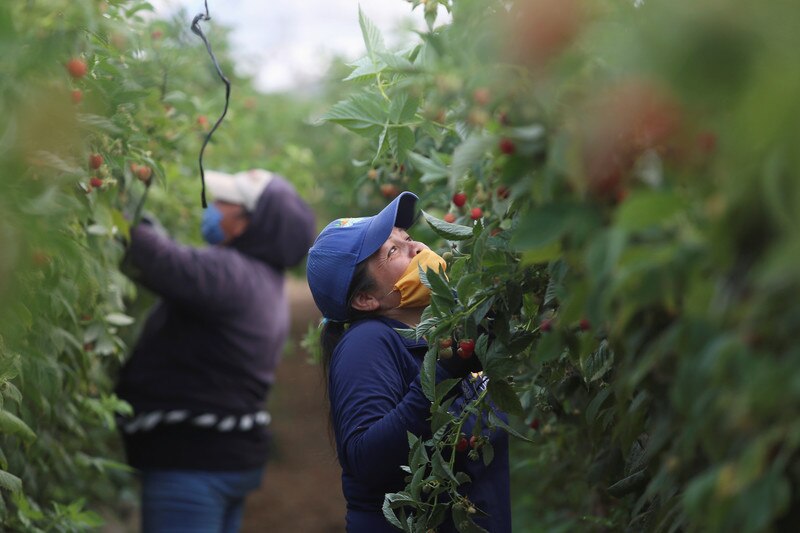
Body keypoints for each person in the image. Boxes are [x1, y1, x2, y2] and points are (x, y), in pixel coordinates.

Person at [115, 169, 316, 532]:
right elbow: (182, 264)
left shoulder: (234, 276)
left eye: (225, 202)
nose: (212, 206)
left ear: (247, 225)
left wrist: (113, 210)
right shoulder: (261, 281)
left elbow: (160, 261)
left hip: (192, 461)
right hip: (223, 455)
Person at [306, 191, 511, 532]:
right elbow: (366, 458)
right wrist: (445, 373)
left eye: (407, 238)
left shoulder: (437, 334)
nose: (416, 248)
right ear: (365, 298)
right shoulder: (367, 342)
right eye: (393, 251)